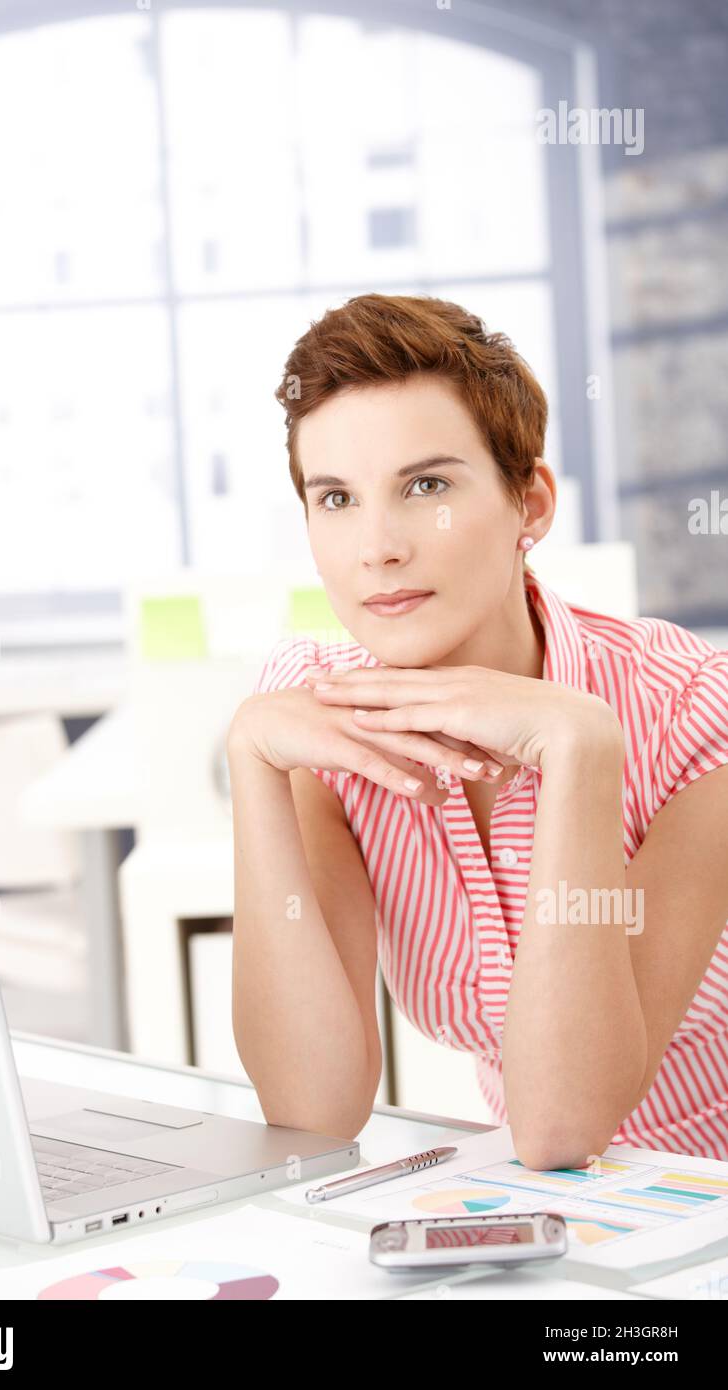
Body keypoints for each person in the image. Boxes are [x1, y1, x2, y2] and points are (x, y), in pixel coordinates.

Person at [226, 292, 728, 1168]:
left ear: (529, 503)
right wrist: (250, 762)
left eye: (426, 486)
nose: (376, 547)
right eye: (336, 497)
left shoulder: (690, 707)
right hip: (571, 1218)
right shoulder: (320, 715)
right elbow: (313, 1108)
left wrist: (579, 751)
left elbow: (565, 1126)